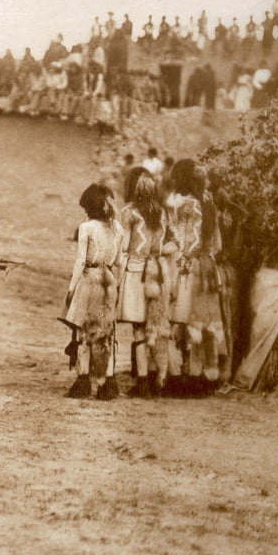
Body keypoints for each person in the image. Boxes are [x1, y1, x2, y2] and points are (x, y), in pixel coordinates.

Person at [60, 183, 124, 400]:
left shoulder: (86, 228)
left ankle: (83, 380)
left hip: (90, 279)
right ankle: (107, 382)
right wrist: (117, 285)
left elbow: (80, 261)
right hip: (109, 279)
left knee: (84, 332)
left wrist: (71, 289)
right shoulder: (118, 228)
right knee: (107, 331)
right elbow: (119, 261)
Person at [166, 160, 225, 395]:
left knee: (183, 320)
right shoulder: (208, 202)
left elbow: (184, 239)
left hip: (186, 265)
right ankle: (203, 377)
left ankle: (184, 378)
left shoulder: (185, 204)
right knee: (203, 322)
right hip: (207, 266)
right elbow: (216, 244)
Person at [118, 168, 174, 397]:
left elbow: (123, 246)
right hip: (159, 272)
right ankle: (155, 378)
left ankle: (142, 381)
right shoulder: (162, 212)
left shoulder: (129, 212)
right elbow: (172, 243)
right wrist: (158, 251)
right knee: (155, 325)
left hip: (136, 272)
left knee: (139, 328)